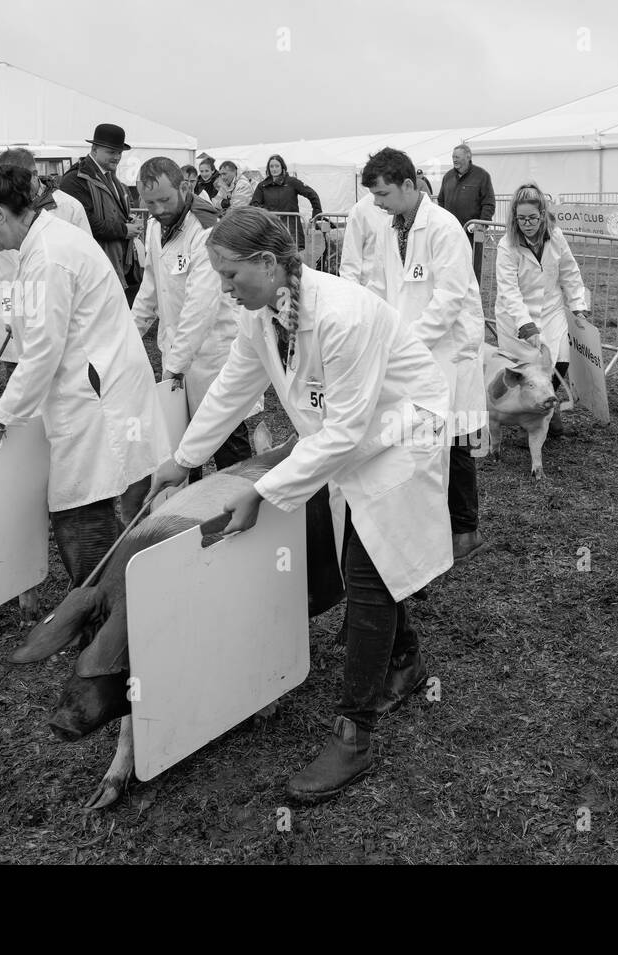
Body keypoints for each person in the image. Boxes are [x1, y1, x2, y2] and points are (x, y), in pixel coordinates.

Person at [150, 207, 452, 803]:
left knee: (366, 569)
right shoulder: (263, 314)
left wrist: (261, 491)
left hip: (403, 431)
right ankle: (408, 662)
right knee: (371, 559)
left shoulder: (341, 315)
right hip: (351, 438)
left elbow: (344, 433)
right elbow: (235, 387)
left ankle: (355, 735)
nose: (225, 288)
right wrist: (183, 459)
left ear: (268, 262)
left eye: (232, 275)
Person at [0, 166, 170, 588]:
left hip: (96, 393)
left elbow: (41, 353)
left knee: (79, 502)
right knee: (110, 493)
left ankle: (99, 605)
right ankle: (122, 597)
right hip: (101, 380)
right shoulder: (48, 240)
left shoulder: (49, 257)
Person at [356, 146, 487, 561]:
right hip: (411, 349)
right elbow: (380, 285)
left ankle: (465, 531)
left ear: (409, 185)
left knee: (457, 438)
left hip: (447, 350)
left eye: (383, 194)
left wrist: (407, 342)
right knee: (426, 440)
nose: (376, 203)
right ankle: (429, 525)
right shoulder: (390, 227)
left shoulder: (444, 229)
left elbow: (449, 299)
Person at [133, 156, 253, 477]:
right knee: (180, 440)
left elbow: (201, 306)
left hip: (211, 354)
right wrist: (130, 335)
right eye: (150, 203)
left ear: (184, 187)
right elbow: (150, 287)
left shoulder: (205, 229)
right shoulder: (157, 226)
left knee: (225, 438)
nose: (157, 209)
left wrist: (175, 364)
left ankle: (241, 505)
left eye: (164, 200)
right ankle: (187, 514)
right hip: (177, 353)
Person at [0, 147, 91, 354]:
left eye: (20, 179)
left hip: (54, 296)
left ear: (35, 174)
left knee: (50, 356)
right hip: (9, 290)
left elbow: (85, 257)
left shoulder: (68, 206)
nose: (14, 186)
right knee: (13, 357)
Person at [495, 183, 591, 438]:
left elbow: (570, 272)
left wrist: (578, 306)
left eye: (533, 218)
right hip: (517, 316)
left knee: (559, 360)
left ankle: (546, 407)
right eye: (521, 218)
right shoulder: (507, 246)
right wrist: (525, 325)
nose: (527, 223)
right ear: (514, 218)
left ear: (542, 214)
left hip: (551, 310)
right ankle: (530, 415)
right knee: (527, 369)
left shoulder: (556, 237)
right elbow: (509, 290)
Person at [59, 123, 144, 305]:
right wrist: (124, 230)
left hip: (116, 262)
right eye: (111, 152)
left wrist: (127, 220)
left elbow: (109, 212)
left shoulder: (111, 178)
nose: (117, 157)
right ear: (94, 149)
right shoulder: (74, 180)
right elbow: (86, 223)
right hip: (94, 266)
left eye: (119, 152)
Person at [437, 143, 495, 278]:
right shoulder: (448, 176)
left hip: (474, 233)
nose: (454, 160)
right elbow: (441, 200)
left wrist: (481, 224)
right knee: (451, 265)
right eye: (453, 157)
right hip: (451, 232)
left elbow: (489, 203)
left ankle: (474, 296)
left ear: (468, 157)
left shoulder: (482, 176)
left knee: (474, 266)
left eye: (457, 157)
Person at [250, 154, 322, 250]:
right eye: (271, 166)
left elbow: (312, 194)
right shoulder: (262, 186)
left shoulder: (292, 182)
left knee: (292, 260)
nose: (274, 169)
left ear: (282, 167)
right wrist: (269, 213)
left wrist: (316, 213)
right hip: (271, 229)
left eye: (277, 166)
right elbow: (254, 204)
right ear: (268, 168)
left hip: (291, 230)